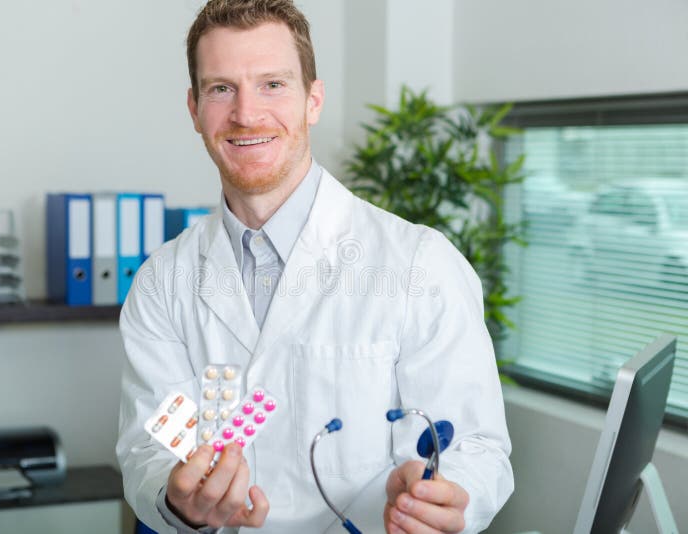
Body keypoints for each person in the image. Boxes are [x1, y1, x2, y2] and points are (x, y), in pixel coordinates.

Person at [116, 1, 513, 532]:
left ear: (313, 100)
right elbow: (146, 448)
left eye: (273, 85)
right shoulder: (162, 281)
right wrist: (176, 498)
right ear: (194, 108)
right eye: (221, 88)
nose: (246, 114)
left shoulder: (420, 264)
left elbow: (476, 449)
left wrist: (443, 497)